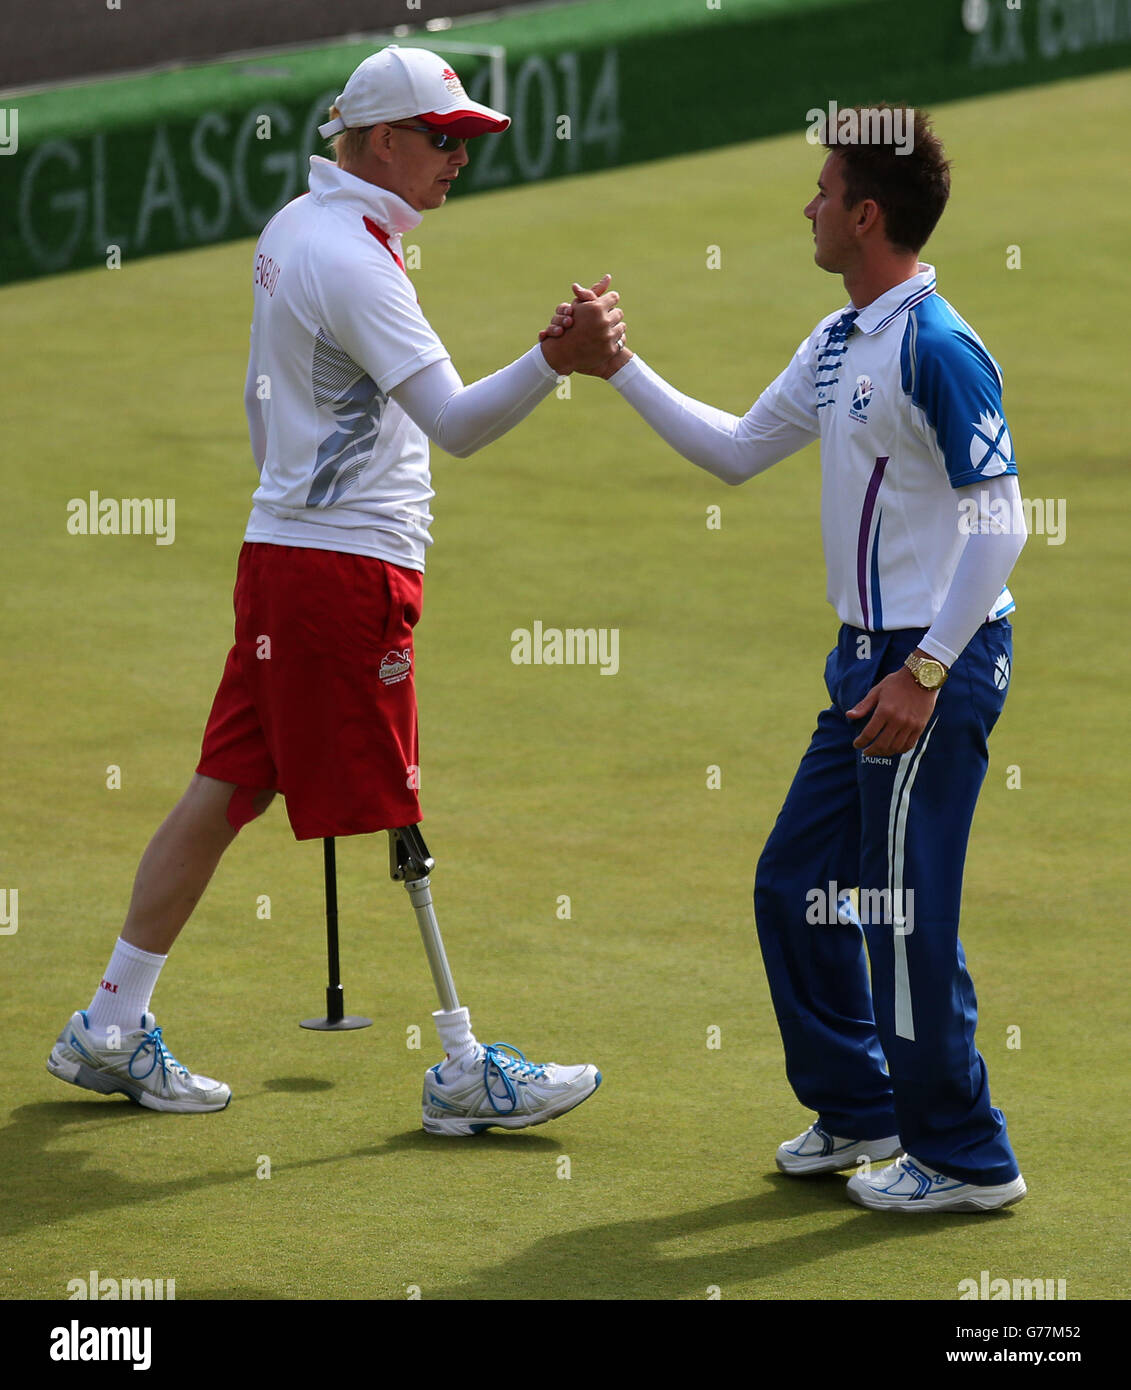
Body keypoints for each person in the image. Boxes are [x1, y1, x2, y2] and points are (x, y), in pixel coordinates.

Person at [47, 45, 626, 1136]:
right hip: (339, 573)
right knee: (391, 797)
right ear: (377, 141)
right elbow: (455, 423)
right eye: (442, 139)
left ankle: (109, 1026)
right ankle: (462, 1067)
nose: (459, 159)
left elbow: (271, 402)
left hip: (288, 557)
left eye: (466, 140)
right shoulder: (354, 260)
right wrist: (558, 359)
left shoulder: (298, 230)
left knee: (225, 788)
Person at [547, 104, 1028, 1211]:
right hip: (866, 667)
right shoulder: (836, 343)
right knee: (798, 885)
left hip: (930, 667)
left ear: (866, 215)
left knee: (904, 911)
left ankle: (964, 1155)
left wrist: (929, 672)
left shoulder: (938, 344)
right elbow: (731, 451)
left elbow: (1000, 522)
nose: (804, 206)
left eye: (821, 191)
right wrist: (617, 367)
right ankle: (860, 1107)